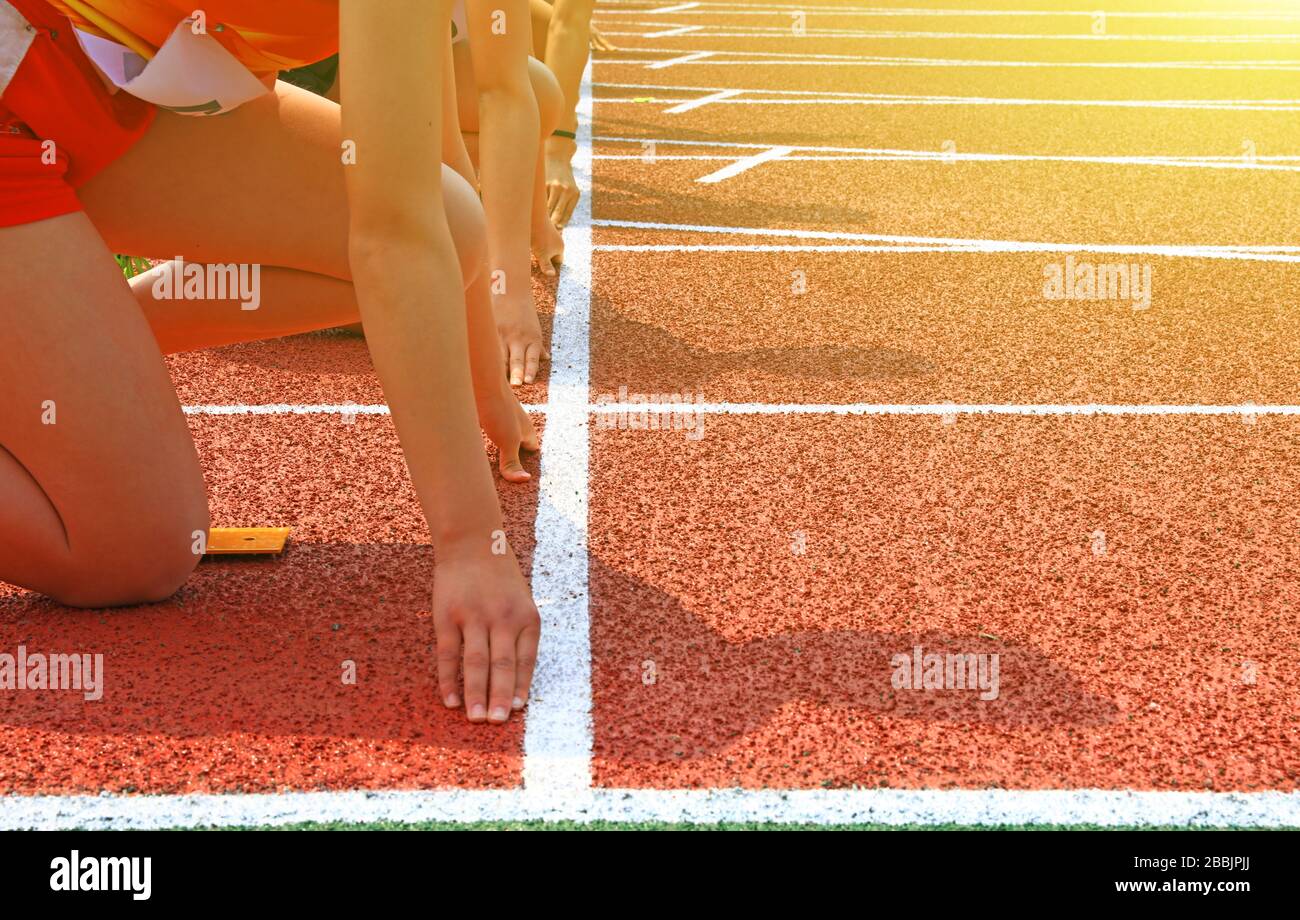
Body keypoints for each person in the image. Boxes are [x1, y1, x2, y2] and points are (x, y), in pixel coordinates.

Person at [0, 0, 539, 724]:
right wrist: (472, 541)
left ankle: (51, 343)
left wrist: (485, 386)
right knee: (136, 547)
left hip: (105, 79)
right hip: (25, 78)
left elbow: (423, 162)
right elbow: (390, 238)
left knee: (455, 223)